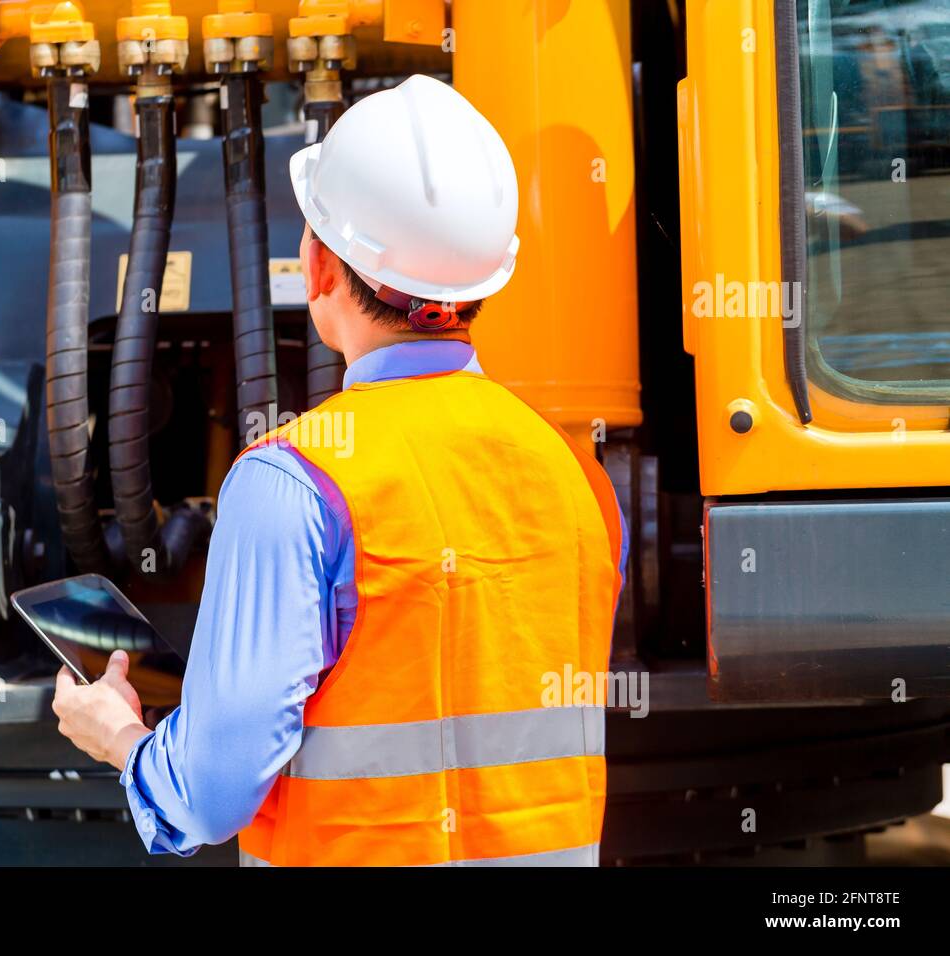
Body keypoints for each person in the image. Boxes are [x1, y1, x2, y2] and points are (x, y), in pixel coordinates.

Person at [52, 74, 628, 866]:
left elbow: (214, 792)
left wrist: (118, 733)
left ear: (319, 269)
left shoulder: (291, 482)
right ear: (485, 284)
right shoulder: (577, 475)